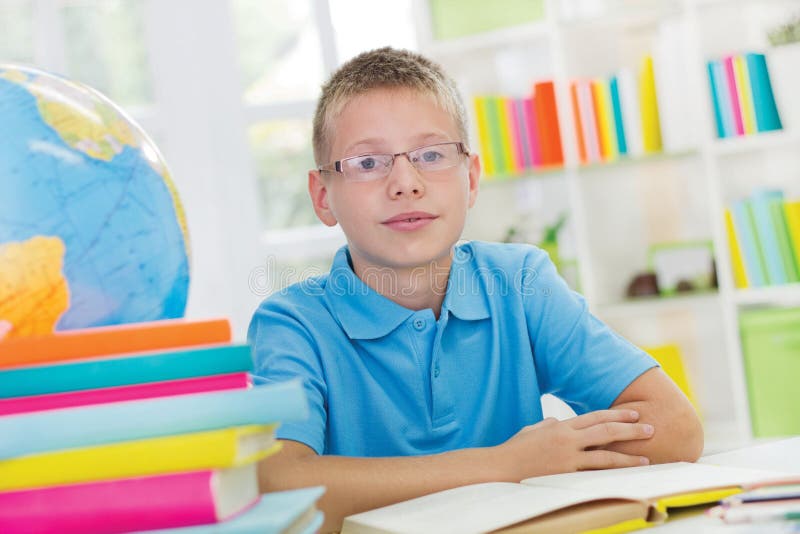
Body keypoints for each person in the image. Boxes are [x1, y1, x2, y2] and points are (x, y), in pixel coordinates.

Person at [248, 47, 703, 532]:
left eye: (431, 154)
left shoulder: (521, 282)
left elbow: (675, 426)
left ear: (471, 178)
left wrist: (547, 459)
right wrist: (504, 465)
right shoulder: (291, 325)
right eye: (367, 162)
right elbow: (281, 486)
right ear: (323, 197)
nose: (406, 182)